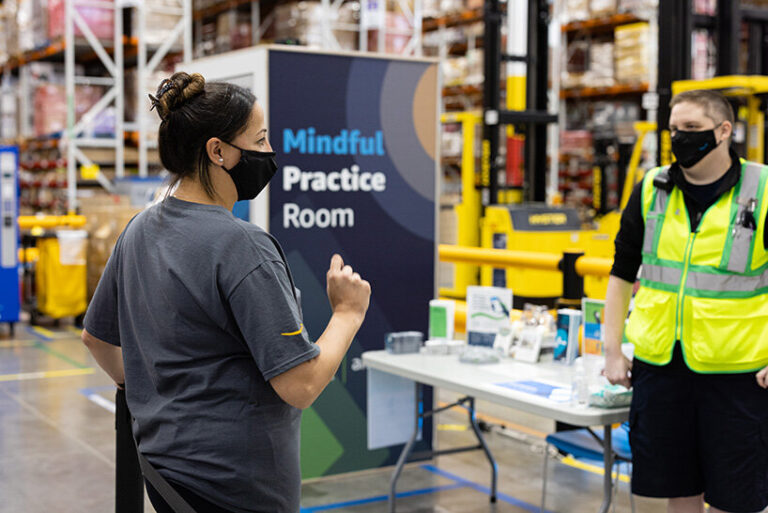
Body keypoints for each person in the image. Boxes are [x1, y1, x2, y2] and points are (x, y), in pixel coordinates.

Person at [81, 72, 371, 513]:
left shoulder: (139, 228)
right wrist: (348, 313)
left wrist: (154, 390)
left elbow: (97, 339)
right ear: (218, 151)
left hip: (165, 475)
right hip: (236, 487)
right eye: (260, 139)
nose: (269, 152)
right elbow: (302, 383)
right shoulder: (242, 246)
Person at [604, 88, 768, 513]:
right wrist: (612, 350)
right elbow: (621, 275)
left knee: (736, 497)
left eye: (692, 129)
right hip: (662, 368)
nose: (680, 138)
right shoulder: (651, 189)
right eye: (674, 129)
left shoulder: (763, 189)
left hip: (737, 373)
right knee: (678, 489)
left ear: (723, 130)